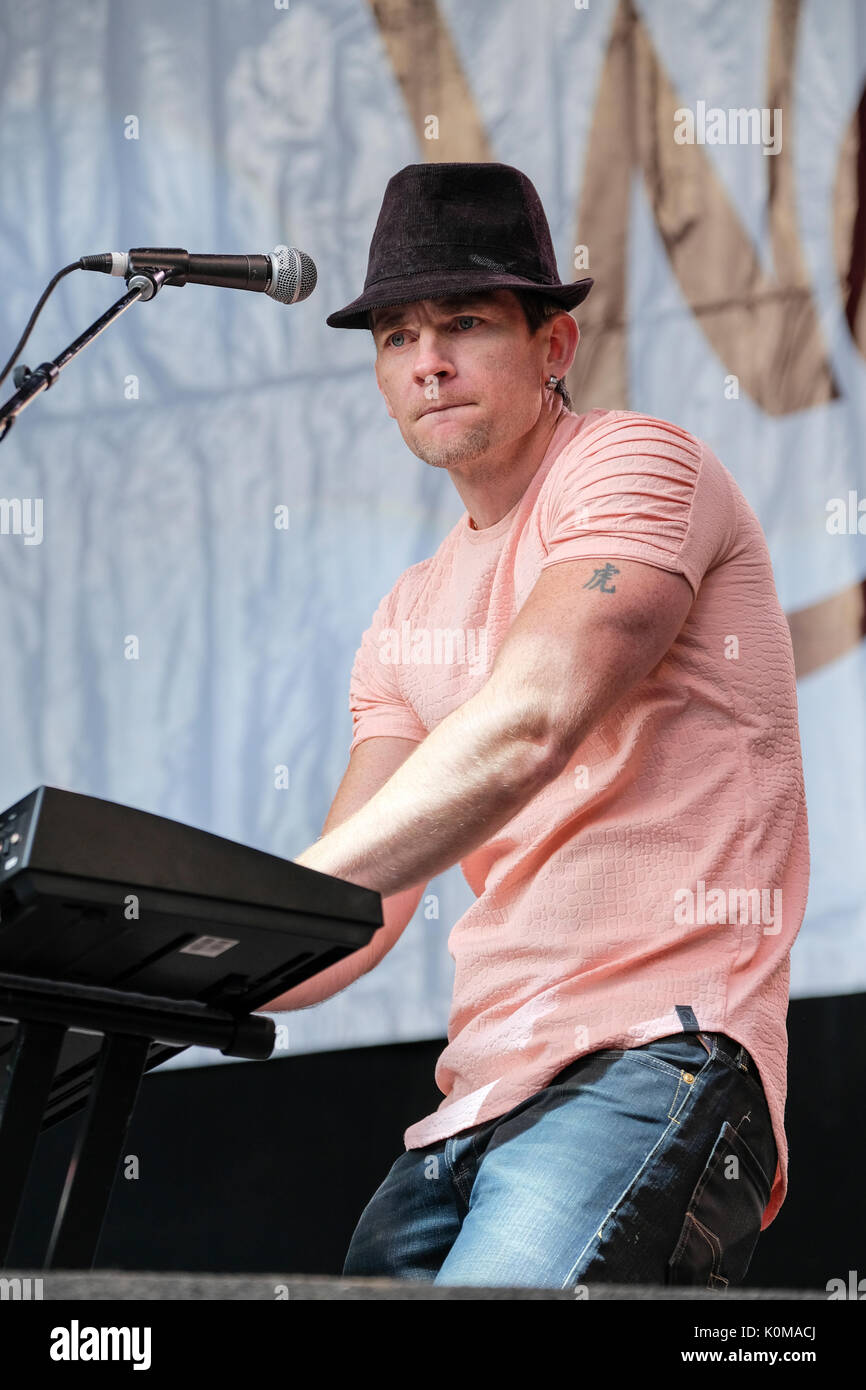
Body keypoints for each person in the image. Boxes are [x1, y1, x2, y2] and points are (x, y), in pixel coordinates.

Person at [261, 162, 810, 1290]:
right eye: (396, 335)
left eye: (464, 321)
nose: (428, 360)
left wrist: (211, 920)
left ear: (553, 348)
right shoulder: (403, 614)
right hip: (475, 1097)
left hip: (654, 1053)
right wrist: (143, 972)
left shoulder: (631, 464)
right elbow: (352, 914)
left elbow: (529, 724)